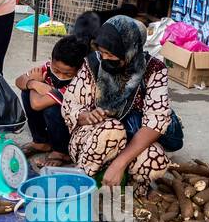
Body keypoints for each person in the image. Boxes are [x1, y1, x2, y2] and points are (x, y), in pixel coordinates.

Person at [60, 16, 181, 189]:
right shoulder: (93, 63)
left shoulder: (154, 70)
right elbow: (70, 104)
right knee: (112, 128)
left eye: (110, 54)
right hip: (92, 140)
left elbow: (156, 122)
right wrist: (85, 115)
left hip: (132, 142)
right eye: (102, 52)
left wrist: (120, 163)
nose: (104, 58)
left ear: (129, 50)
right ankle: (81, 181)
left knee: (156, 161)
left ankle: (121, 178)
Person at [17, 35, 87, 164]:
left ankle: (61, 151)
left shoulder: (75, 85)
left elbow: (36, 104)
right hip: (50, 116)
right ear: (51, 61)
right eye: (56, 70)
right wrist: (32, 83)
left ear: (79, 71)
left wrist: (36, 82)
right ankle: (40, 142)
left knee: (51, 109)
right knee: (25, 92)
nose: (60, 76)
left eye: (67, 74)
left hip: (70, 130)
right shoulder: (47, 68)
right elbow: (19, 81)